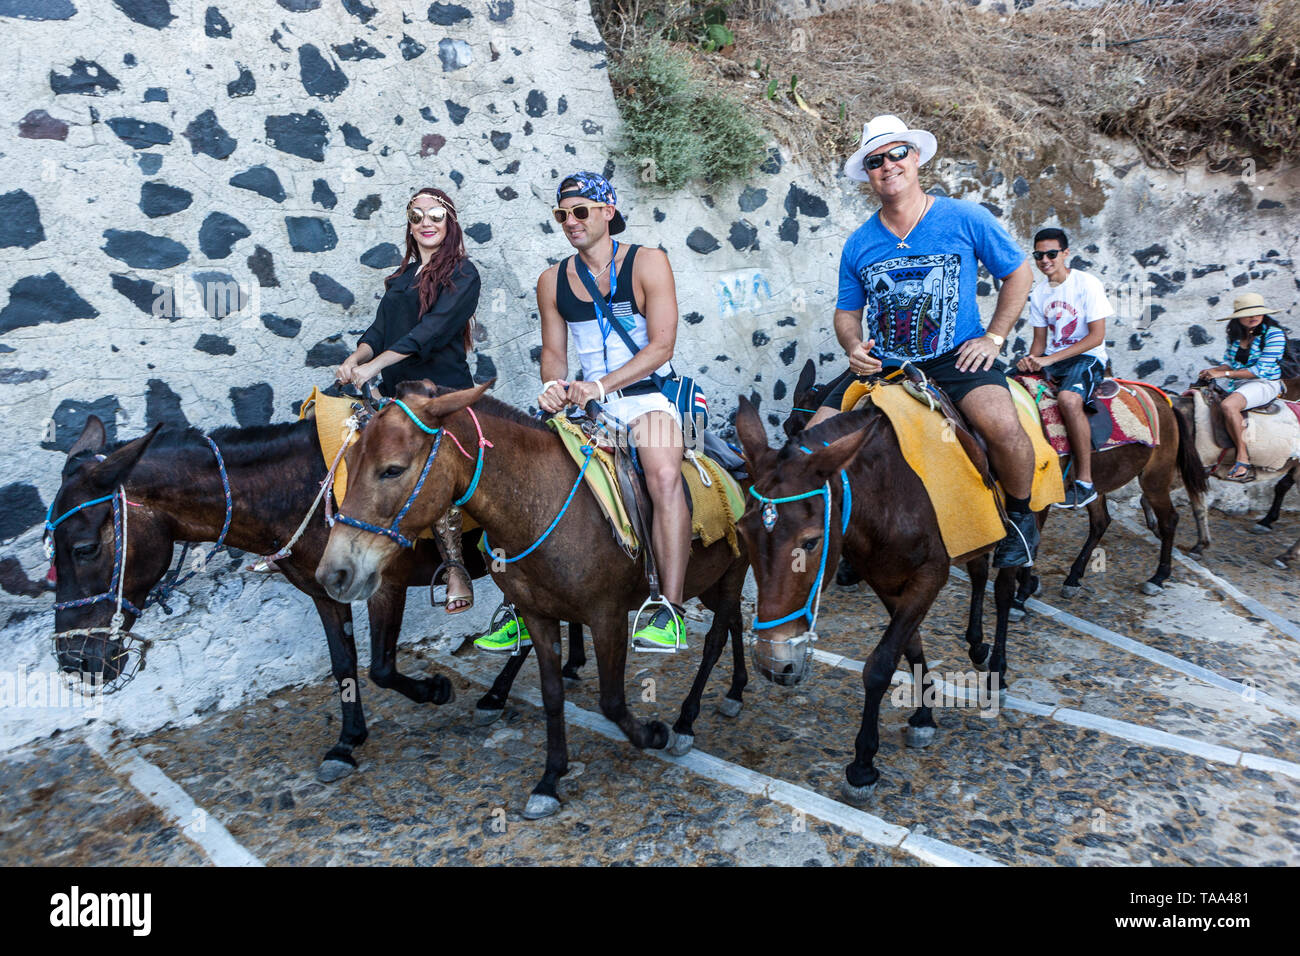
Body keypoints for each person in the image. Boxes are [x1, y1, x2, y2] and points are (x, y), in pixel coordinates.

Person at [809, 113, 1039, 568]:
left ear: (915, 159)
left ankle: (1019, 518)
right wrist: (853, 347)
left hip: (957, 357)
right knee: (815, 442)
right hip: (885, 364)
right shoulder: (859, 243)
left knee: (1002, 426)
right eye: (876, 160)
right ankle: (849, 534)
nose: (888, 165)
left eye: (897, 153)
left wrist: (994, 337)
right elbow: (846, 312)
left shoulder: (965, 217)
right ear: (868, 173)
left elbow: (1019, 273)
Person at [479, 171, 690, 653]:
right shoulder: (551, 280)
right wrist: (553, 385)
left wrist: (599, 384)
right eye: (561, 215)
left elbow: (662, 346)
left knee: (661, 473)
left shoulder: (648, 262)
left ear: (607, 212)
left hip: (647, 397)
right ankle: (519, 604)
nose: (569, 222)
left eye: (579, 212)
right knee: (519, 476)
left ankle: (669, 609)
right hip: (585, 404)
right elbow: (552, 351)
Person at [335, 187, 481, 612]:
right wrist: (354, 359)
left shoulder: (463, 274)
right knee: (346, 445)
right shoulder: (402, 279)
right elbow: (378, 331)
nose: (426, 223)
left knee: (430, 469)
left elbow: (428, 334)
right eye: (416, 216)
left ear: (449, 222)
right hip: (398, 401)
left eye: (435, 215)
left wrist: (373, 368)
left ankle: (455, 567)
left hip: (442, 397)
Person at [1016, 227, 1113, 508]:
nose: (1045, 259)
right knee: (1009, 387)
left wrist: (1049, 359)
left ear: (1065, 253)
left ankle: (1085, 482)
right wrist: (1030, 360)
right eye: (1039, 255)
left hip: (1087, 356)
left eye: (1051, 253)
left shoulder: (1086, 284)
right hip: (1053, 359)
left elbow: (1096, 337)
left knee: (1069, 400)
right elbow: (1039, 343)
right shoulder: (1039, 293)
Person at [1197, 291, 1288, 482]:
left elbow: (1260, 370)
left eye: (1257, 312)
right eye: (1248, 313)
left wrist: (1223, 374)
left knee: (1229, 406)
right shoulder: (1236, 336)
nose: (1253, 317)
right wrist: (1213, 370)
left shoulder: (1274, 334)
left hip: (1264, 383)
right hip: (1239, 383)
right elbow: (1229, 363)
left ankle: (1243, 457)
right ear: (1238, 318)